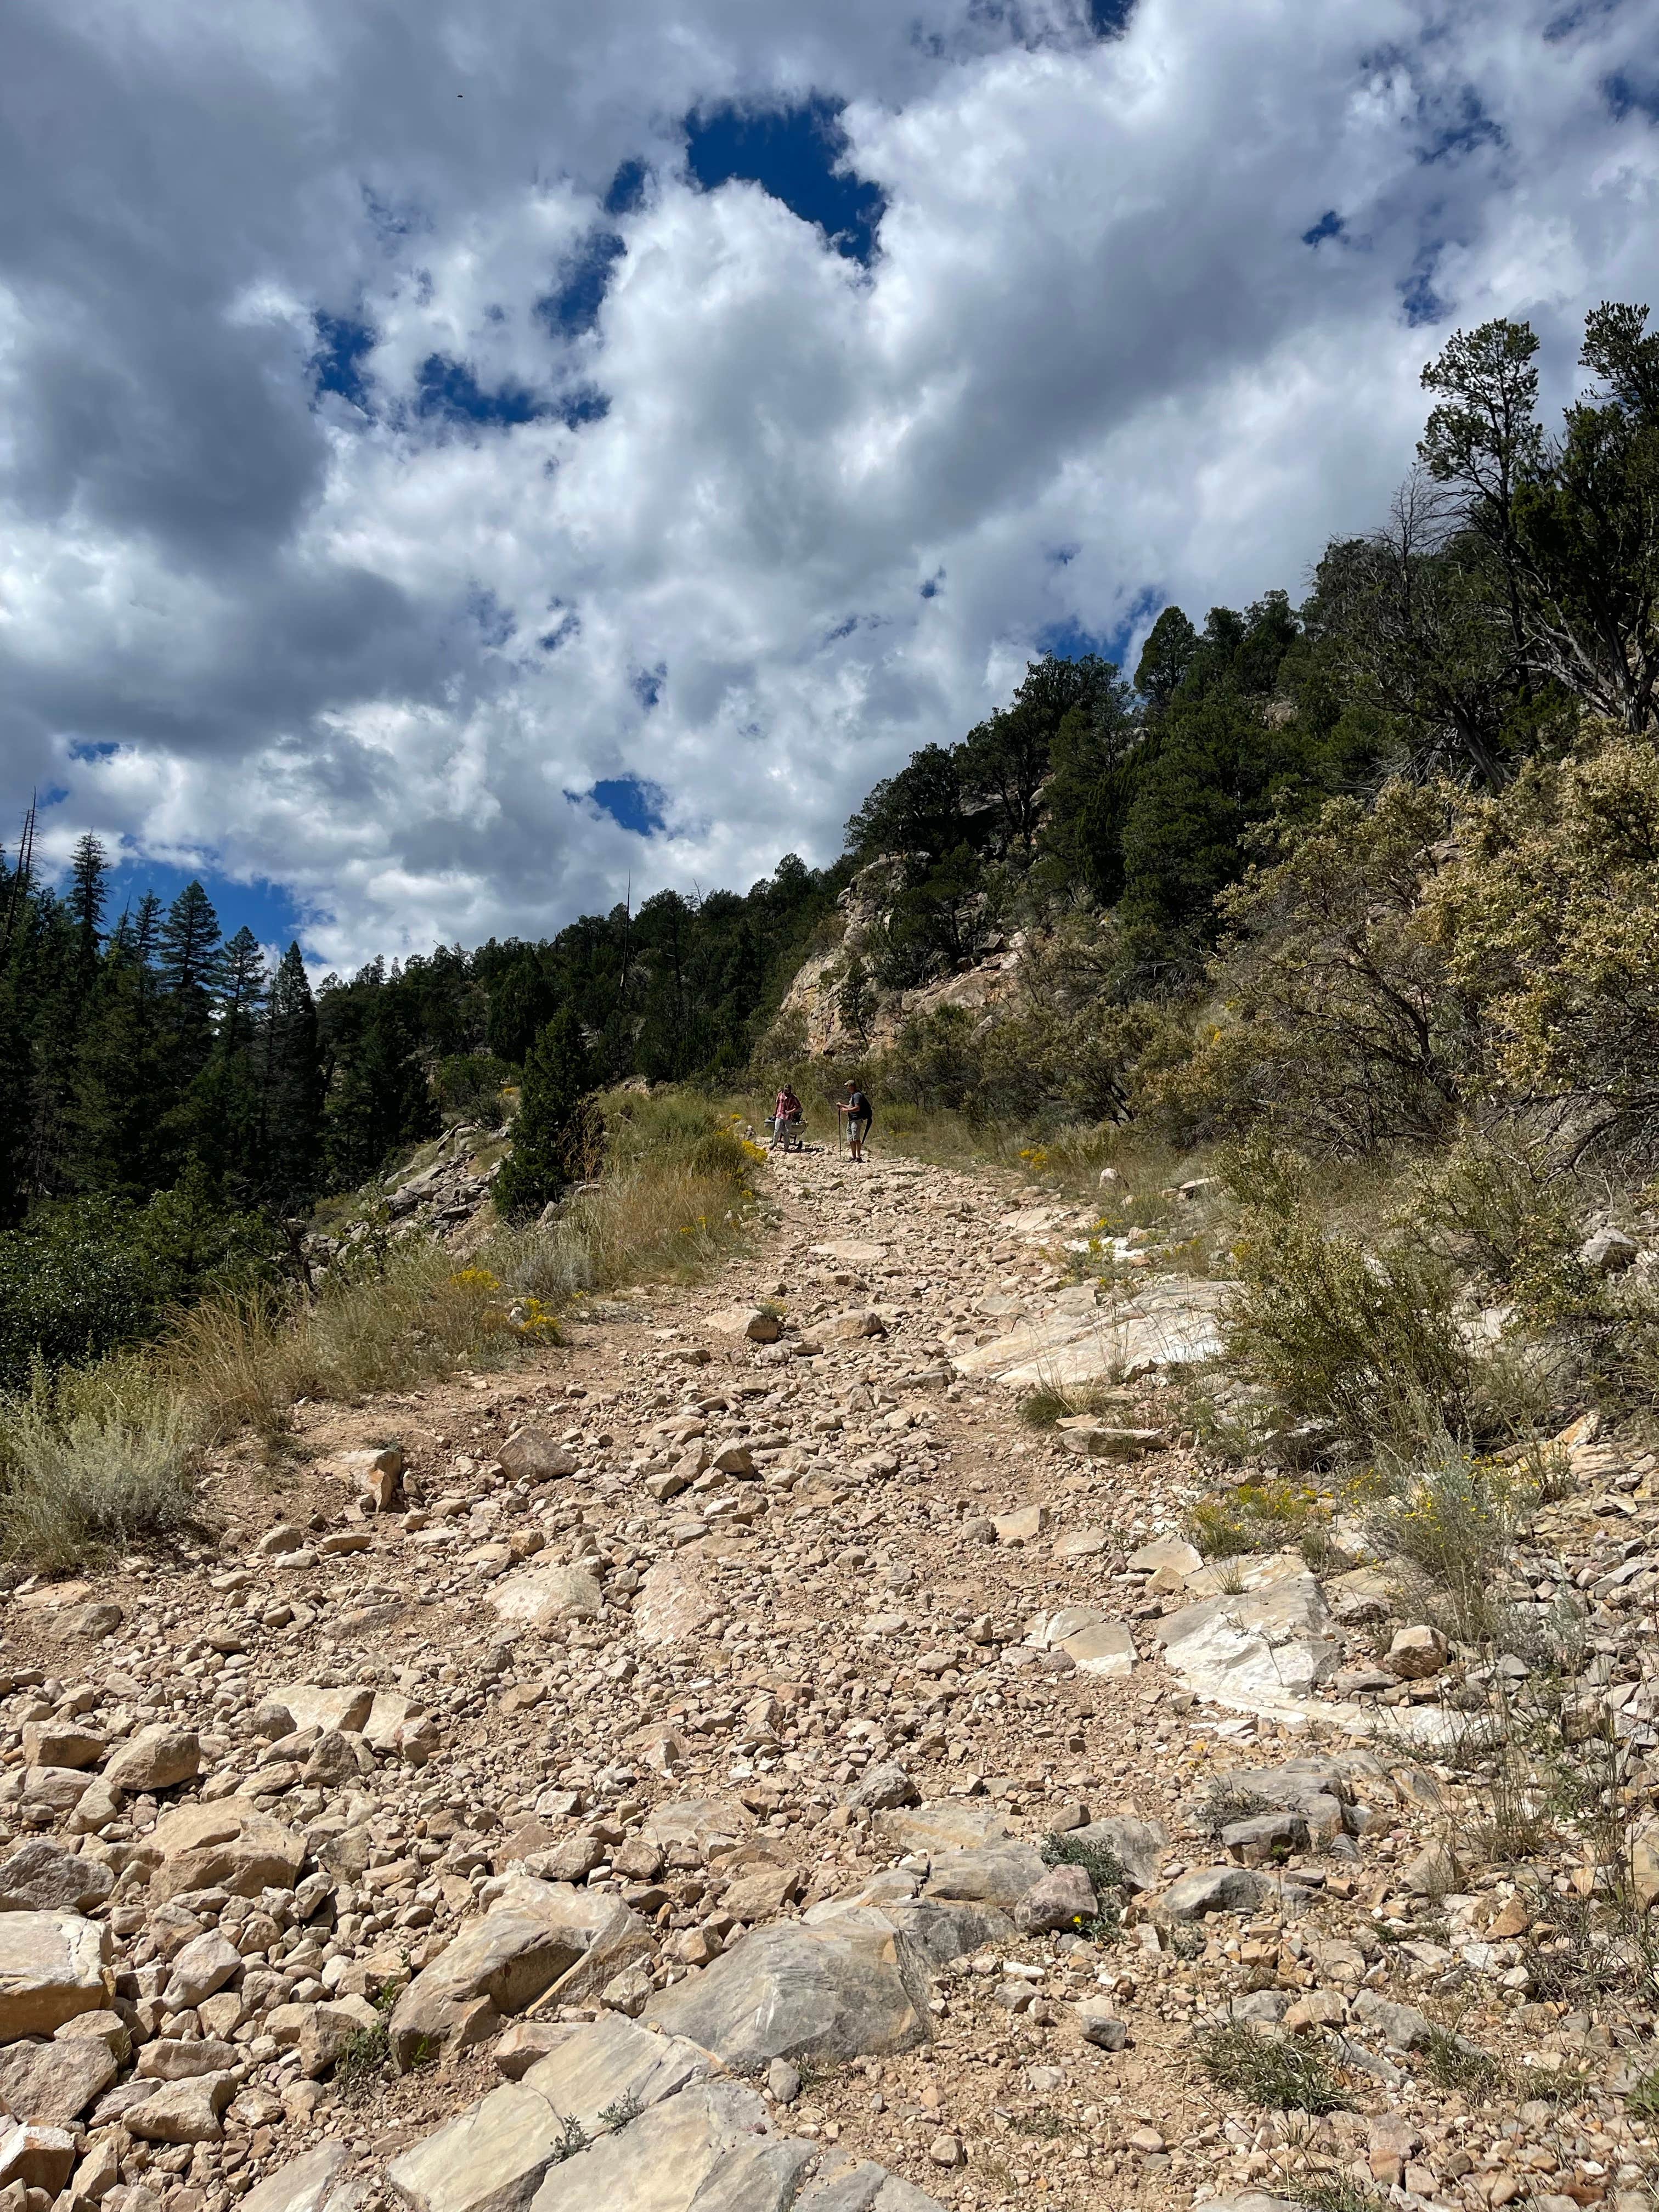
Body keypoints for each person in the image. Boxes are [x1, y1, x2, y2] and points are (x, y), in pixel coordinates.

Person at [838, 1081, 873, 1161]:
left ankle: (858, 1157)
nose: (847, 1088)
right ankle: (854, 1157)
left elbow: (857, 1108)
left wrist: (846, 1110)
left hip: (856, 1120)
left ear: (851, 1086)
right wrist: (842, 1105)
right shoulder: (853, 1096)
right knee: (851, 1139)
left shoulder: (857, 1095)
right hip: (851, 1120)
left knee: (856, 1138)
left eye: (848, 1086)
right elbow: (851, 1106)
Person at [770, 1084, 803, 1150]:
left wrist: (790, 1112)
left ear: (790, 1090)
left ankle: (786, 1147)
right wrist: (775, 1114)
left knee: (787, 1132)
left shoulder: (793, 1098)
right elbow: (778, 1105)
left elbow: (798, 1106)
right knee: (777, 1130)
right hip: (779, 1115)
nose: (786, 1092)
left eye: (787, 1091)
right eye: (785, 1090)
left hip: (788, 1117)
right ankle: (774, 1143)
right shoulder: (780, 1095)